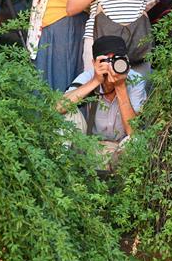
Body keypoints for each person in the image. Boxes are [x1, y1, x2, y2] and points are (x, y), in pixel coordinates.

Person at [58, 35, 147, 173]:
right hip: (90, 147)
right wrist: (95, 81)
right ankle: (63, 174)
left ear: (126, 61)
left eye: (116, 59)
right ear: (94, 63)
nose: (111, 66)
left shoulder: (135, 80)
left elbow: (133, 131)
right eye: (105, 60)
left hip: (120, 150)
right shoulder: (90, 76)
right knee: (67, 113)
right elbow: (58, 108)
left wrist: (120, 87)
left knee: (136, 141)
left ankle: (121, 185)